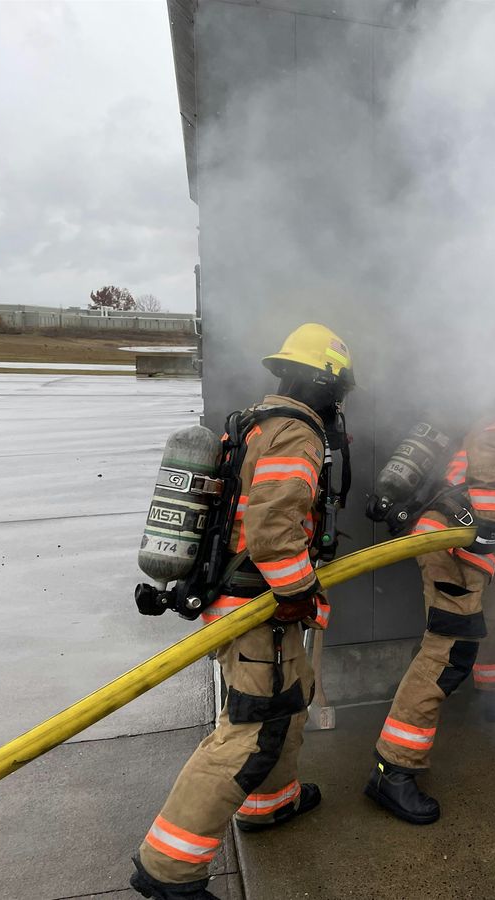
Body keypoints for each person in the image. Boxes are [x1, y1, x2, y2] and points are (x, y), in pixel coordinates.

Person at [130, 324, 354, 900]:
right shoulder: (296, 434)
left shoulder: (254, 421)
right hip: (260, 606)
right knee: (250, 730)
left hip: (243, 599)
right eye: (340, 391)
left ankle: (269, 803)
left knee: (286, 706)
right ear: (324, 383)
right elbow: (273, 531)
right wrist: (298, 592)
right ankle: (168, 870)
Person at [365, 373, 495, 824]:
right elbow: (490, 458)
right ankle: (393, 769)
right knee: (447, 650)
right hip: (454, 546)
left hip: (464, 545)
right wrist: (489, 526)